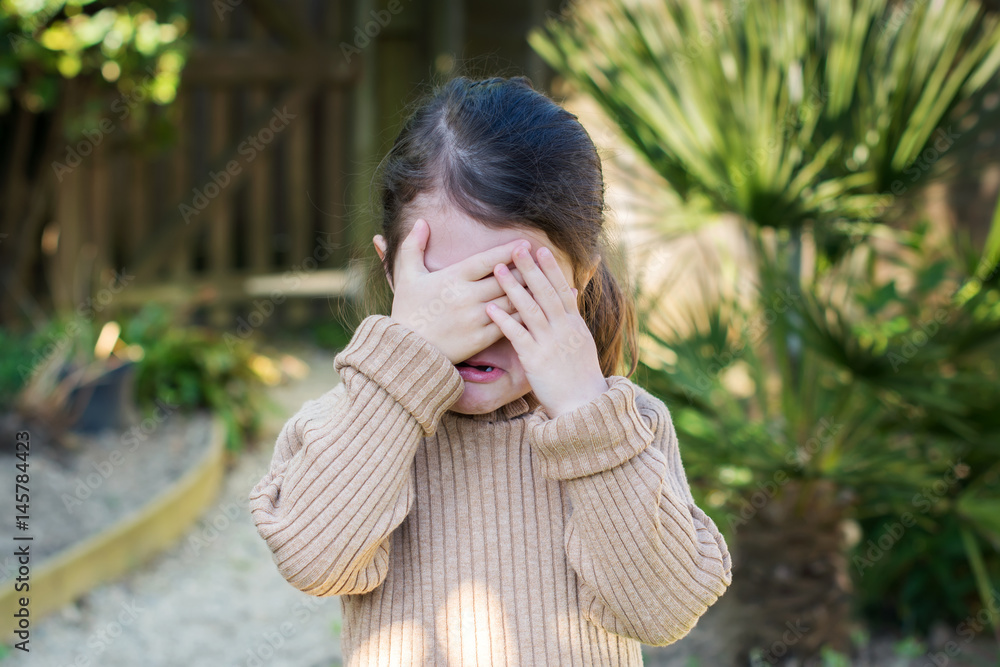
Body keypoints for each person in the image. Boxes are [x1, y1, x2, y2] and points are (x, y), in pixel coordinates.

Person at [248, 75, 732, 666]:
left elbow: (660, 613)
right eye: (449, 294)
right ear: (392, 270)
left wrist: (583, 411)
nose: (481, 328)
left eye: (517, 291)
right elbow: (316, 562)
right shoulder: (350, 427)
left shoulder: (626, 434)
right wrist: (403, 366)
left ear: (579, 283)